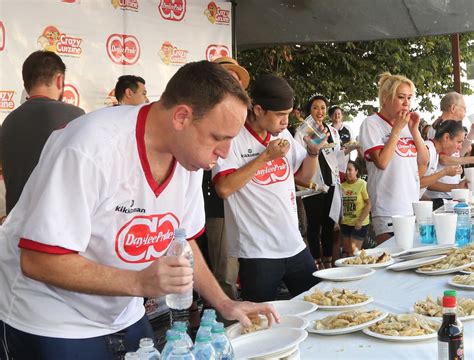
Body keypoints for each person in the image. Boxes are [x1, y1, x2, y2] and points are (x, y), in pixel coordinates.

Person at [0, 61, 278, 359]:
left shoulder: (190, 156)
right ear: (182, 117)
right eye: (218, 138)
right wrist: (138, 282)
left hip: (124, 312)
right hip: (51, 320)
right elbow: (38, 260)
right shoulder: (91, 146)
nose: (224, 152)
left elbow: (182, 241)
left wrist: (224, 303)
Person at [212, 75, 325, 302]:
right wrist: (265, 157)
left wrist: (313, 152)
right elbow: (223, 188)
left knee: (317, 306)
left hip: (294, 244)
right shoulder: (233, 137)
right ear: (258, 109)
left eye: (288, 114)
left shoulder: (282, 134)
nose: (285, 122)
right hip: (258, 252)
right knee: (260, 323)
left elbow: (303, 175)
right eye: (280, 115)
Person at [0, 50, 85, 215]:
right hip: (56, 227)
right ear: (60, 80)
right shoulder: (75, 116)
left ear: (26, 84)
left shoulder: (8, 122)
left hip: (16, 228)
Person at [199, 56, 250, 300]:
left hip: (247, 206)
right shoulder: (199, 114)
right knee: (225, 271)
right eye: (226, 76)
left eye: (237, 78)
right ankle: (225, 323)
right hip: (217, 206)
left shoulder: (247, 119)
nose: (233, 82)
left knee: (245, 266)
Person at [359, 72, 428, 244]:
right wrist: (396, 130)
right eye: (401, 97)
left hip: (412, 207)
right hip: (388, 209)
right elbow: (382, 162)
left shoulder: (406, 125)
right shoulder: (371, 123)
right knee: (393, 262)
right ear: (385, 98)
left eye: (410, 98)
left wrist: (414, 130)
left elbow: (424, 161)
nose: (407, 103)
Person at [294, 95, 349, 269]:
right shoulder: (304, 130)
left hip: (331, 181)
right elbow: (298, 157)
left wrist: (349, 150)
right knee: (314, 224)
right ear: (309, 110)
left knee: (329, 223)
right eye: (316, 108)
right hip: (313, 183)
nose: (320, 111)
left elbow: (336, 156)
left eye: (323, 108)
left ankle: (328, 259)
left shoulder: (332, 131)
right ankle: (316, 262)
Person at [425, 92, 472, 209]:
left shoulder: (452, 127)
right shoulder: (439, 127)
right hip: (439, 195)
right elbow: (444, 159)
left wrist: (471, 134)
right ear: (453, 108)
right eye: (464, 109)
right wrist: (471, 159)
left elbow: (458, 154)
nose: (465, 112)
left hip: (451, 193)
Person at [420, 120, 472, 195]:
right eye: (459, 142)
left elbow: (428, 184)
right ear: (446, 137)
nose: (460, 147)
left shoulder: (434, 152)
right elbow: (418, 183)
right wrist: (445, 172)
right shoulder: (428, 150)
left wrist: (458, 186)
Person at [341, 160, 371, 256]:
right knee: (348, 252)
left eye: (350, 170)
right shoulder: (341, 186)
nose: (347, 172)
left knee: (354, 253)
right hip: (345, 223)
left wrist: (360, 221)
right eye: (345, 170)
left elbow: (369, 204)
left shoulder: (362, 184)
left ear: (356, 171)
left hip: (359, 223)